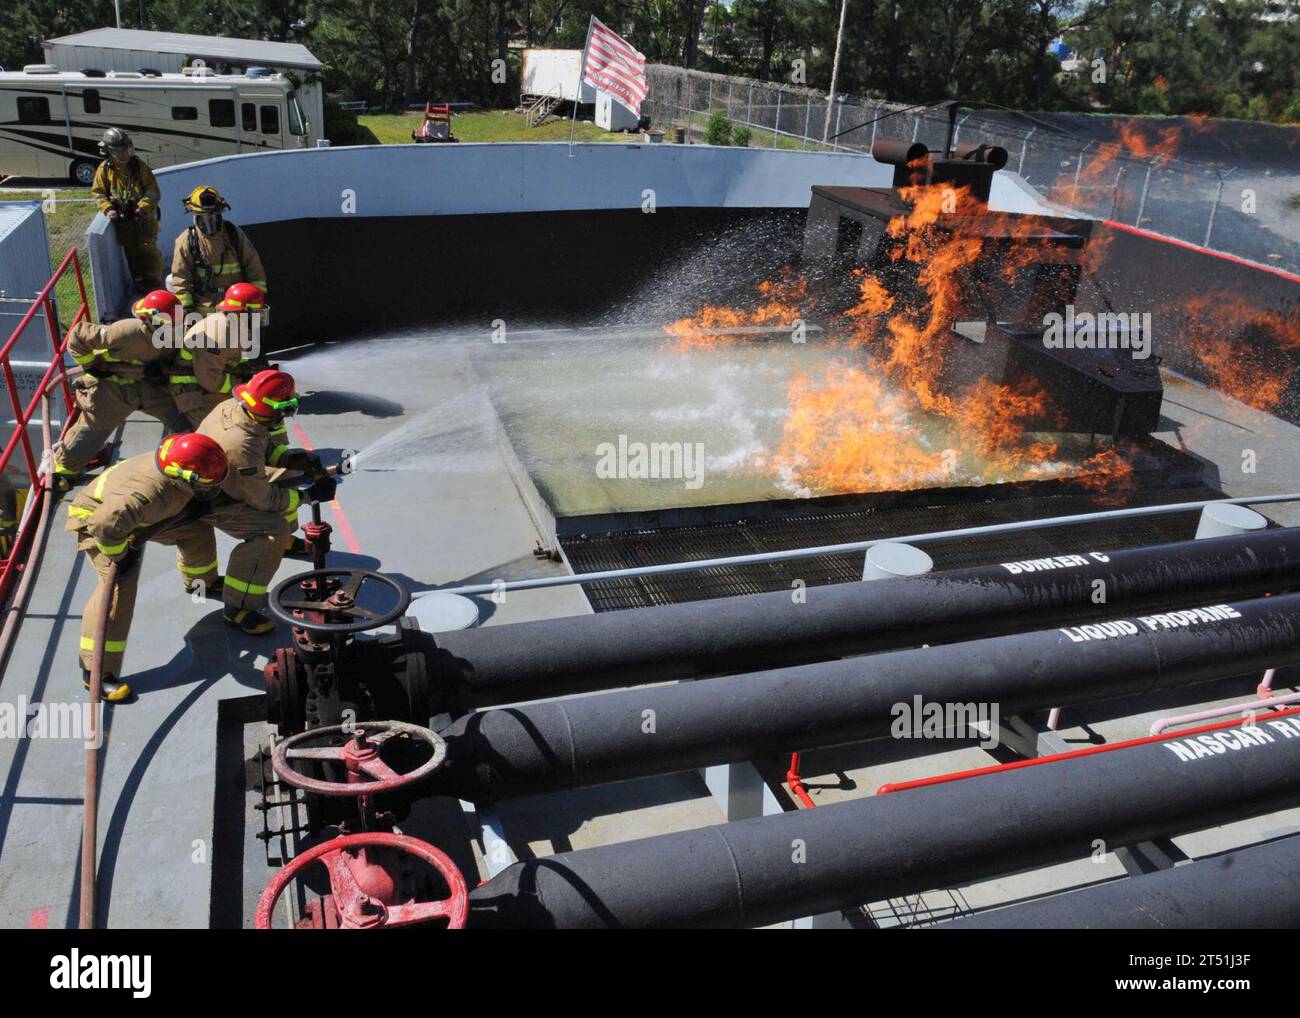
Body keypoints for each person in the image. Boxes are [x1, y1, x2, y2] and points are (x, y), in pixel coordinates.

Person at [66, 433, 229, 703]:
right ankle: (96, 670)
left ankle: (200, 583)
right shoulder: (145, 494)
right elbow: (104, 525)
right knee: (118, 589)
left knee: (197, 531)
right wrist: (121, 554)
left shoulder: (180, 465)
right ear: (182, 478)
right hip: (100, 524)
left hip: (143, 519)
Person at [196, 369, 332, 634]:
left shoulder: (236, 408)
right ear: (272, 409)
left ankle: (287, 544)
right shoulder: (239, 444)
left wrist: (290, 458)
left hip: (226, 477)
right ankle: (238, 607)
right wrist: (307, 496)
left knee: (288, 473)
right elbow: (264, 499)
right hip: (215, 502)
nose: (284, 417)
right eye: (282, 411)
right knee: (272, 530)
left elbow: (261, 445)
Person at [51, 290, 190, 491]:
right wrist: (91, 366)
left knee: (180, 416)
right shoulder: (125, 332)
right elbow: (78, 337)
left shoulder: (173, 333)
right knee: (94, 429)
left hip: (147, 385)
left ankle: (191, 459)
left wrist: (160, 371)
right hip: (112, 387)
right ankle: (64, 471)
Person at [170, 283, 267, 427]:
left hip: (207, 388)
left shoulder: (233, 325)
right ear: (244, 312)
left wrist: (249, 371)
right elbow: (209, 378)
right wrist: (243, 386)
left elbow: (231, 359)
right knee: (222, 433)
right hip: (195, 393)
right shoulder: (218, 335)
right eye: (257, 314)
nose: (260, 318)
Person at [168, 186, 267, 315]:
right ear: (196, 215)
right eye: (204, 216)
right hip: (204, 315)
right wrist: (187, 311)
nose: (211, 220)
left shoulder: (234, 234)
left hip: (237, 309)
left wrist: (257, 299)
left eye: (215, 214)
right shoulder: (186, 240)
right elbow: (181, 280)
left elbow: (254, 268)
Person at [91, 128, 163, 293]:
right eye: (120, 151)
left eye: (126, 149)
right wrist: (108, 209)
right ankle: (139, 285)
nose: (124, 154)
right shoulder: (105, 169)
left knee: (148, 250)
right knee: (132, 254)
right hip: (123, 222)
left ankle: (155, 286)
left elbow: (153, 190)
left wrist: (143, 207)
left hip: (144, 220)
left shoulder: (139, 167)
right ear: (109, 151)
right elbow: (98, 193)